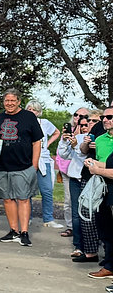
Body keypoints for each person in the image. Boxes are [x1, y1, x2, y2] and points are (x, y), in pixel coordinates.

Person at [0, 88, 42, 247]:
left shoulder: (29, 117)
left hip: (23, 165)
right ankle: (14, 230)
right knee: (7, 199)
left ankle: (24, 232)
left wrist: (34, 165)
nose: (10, 103)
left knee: (23, 199)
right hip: (1, 165)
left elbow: (37, 141)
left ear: (19, 101)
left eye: (13, 100)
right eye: (7, 100)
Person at [58, 109, 99, 263]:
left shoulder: (100, 139)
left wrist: (79, 146)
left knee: (92, 215)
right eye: (87, 122)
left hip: (92, 179)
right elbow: (65, 154)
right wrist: (64, 140)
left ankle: (93, 247)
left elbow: (86, 155)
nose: (88, 125)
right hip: (76, 178)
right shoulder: (80, 137)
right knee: (77, 214)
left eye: (94, 121)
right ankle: (79, 246)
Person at [83, 107, 113, 279]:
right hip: (102, 190)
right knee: (105, 228)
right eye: (104, 117)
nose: (104, 119)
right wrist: (93, 163)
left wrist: (97, 170)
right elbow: (106, 164)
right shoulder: (101, 138)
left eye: (109, 117)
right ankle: (109, 264)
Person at [26, 100, 62, 228]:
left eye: (34, 109)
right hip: (27, 160)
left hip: (43, 160)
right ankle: (27, 218)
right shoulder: (23, 123)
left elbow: (57, 132)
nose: (32, 111)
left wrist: (47, 144)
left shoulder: (44, 123)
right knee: (27, 191)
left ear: (38, 112)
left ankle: (48, 219)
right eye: (29, 109)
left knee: (46, 190)